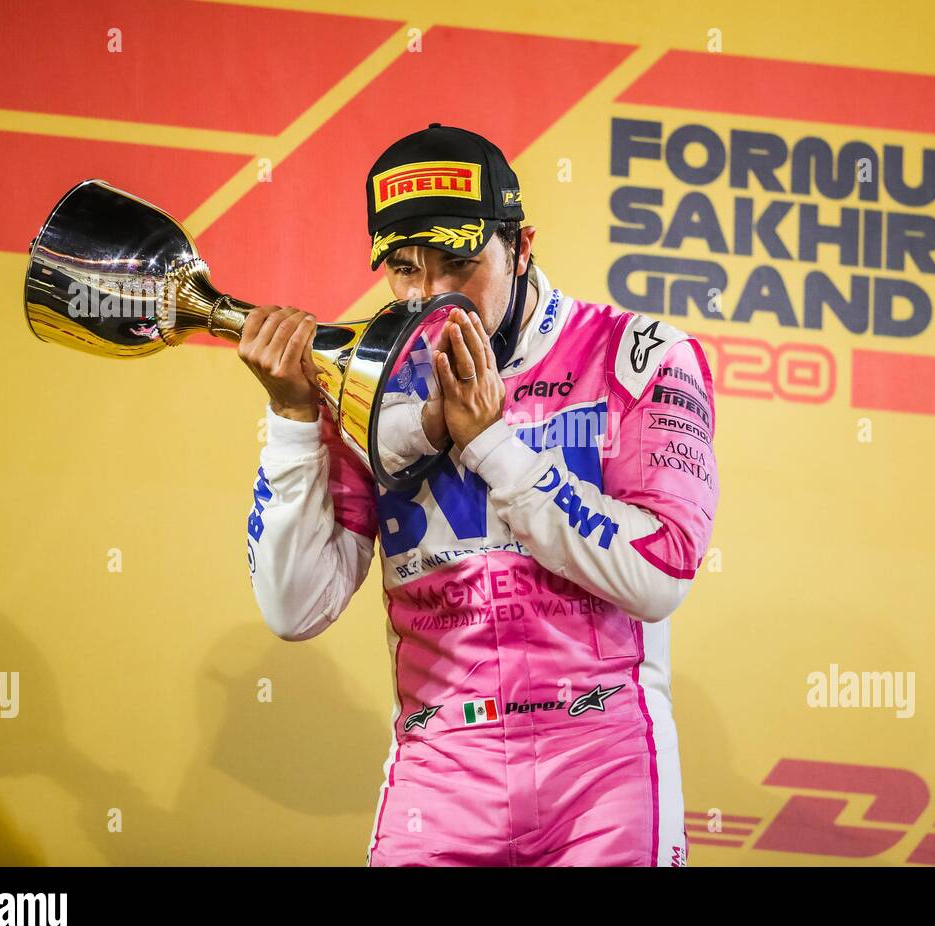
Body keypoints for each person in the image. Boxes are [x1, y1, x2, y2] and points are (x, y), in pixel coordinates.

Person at [239, 123, 719, 866]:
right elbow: (294, 607)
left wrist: (492, 445)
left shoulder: (640, 354)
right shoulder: (367, 383)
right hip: (440, 771)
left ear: (522, 247)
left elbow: (660, 575)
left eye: (459, 263)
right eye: (403, 267)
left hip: (603, 768)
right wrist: (295, 421)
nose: (429, 296)